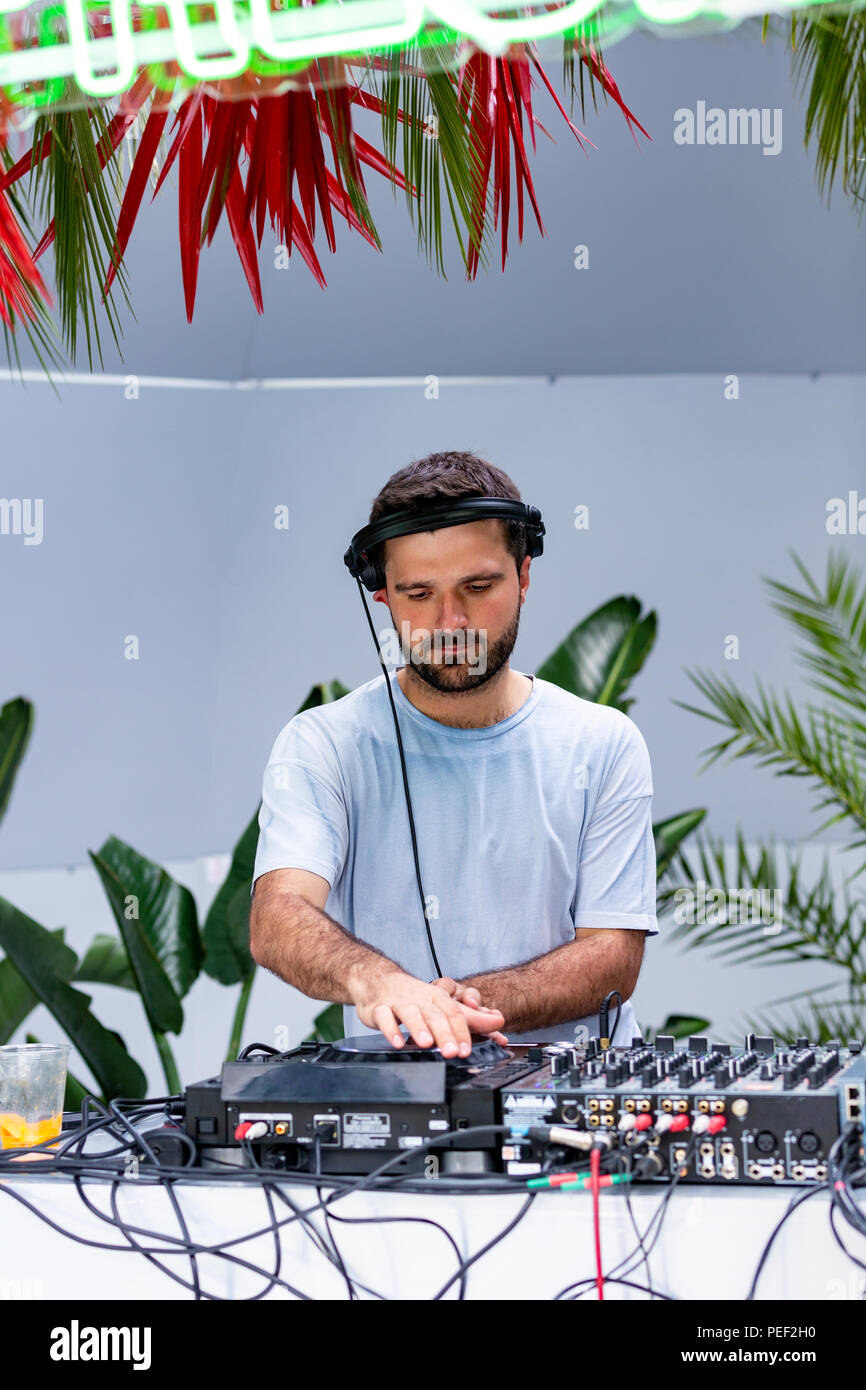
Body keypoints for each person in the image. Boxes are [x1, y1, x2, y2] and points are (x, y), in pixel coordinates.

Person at [250, 450, 657, 1058]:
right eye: (419, 592)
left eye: (478, 586)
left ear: (523, 578)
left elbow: (613, 955)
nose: (451, 620)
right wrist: (380, 981)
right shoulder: (322, 745)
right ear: (383, 597)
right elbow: (278, 914)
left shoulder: (604, 743)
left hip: (575, 1111)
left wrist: (454, 1005)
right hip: (401, 1106)